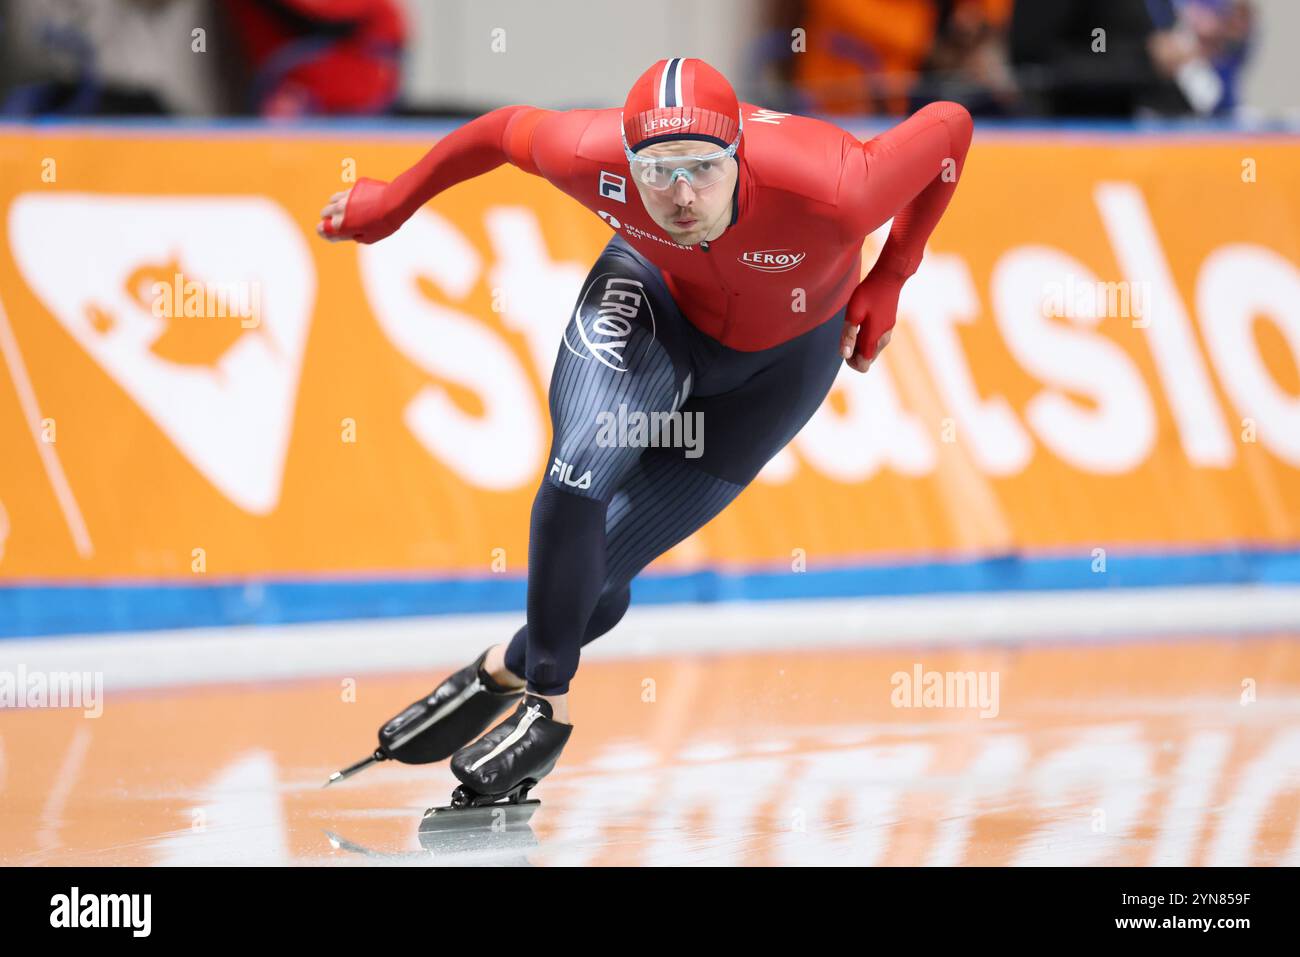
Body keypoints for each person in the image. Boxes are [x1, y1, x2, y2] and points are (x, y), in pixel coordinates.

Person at [318, 57, 972, 804]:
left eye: (701, 168)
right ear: (625, 162)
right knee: (579, 470)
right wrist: (393, 203)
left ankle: (498, 670)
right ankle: (546, 709)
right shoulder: (585, 152)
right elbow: (499, 133)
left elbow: (951, 127)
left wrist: (893, 273)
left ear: (738, 155)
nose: (681, 196)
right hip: (652, 302)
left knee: (599, 577)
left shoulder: (835, 182)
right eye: (656, 172)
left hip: (780, 368)